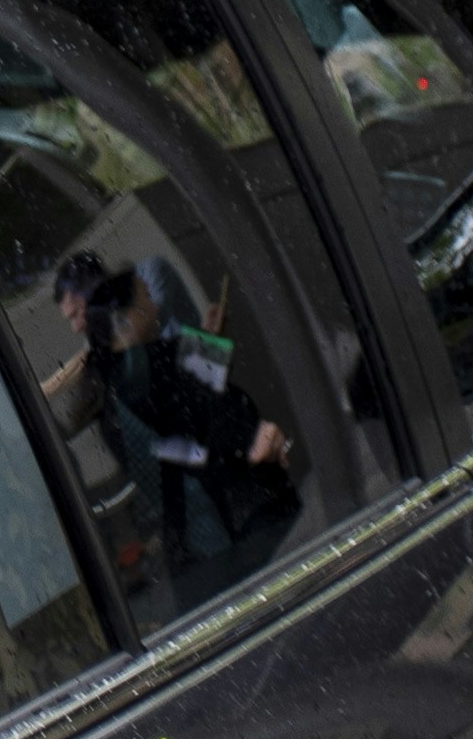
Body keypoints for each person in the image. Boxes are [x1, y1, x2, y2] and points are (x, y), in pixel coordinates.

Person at [53, 248, 294, 589]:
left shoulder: (107, 383)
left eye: (80, 313)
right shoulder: (149, 369)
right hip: (227, 535)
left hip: (195, 545)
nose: (154, 305)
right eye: (146, 298)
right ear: (124, 318)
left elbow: (189, 406)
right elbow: (196, 417)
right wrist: (251, 444)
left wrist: (211, 341)